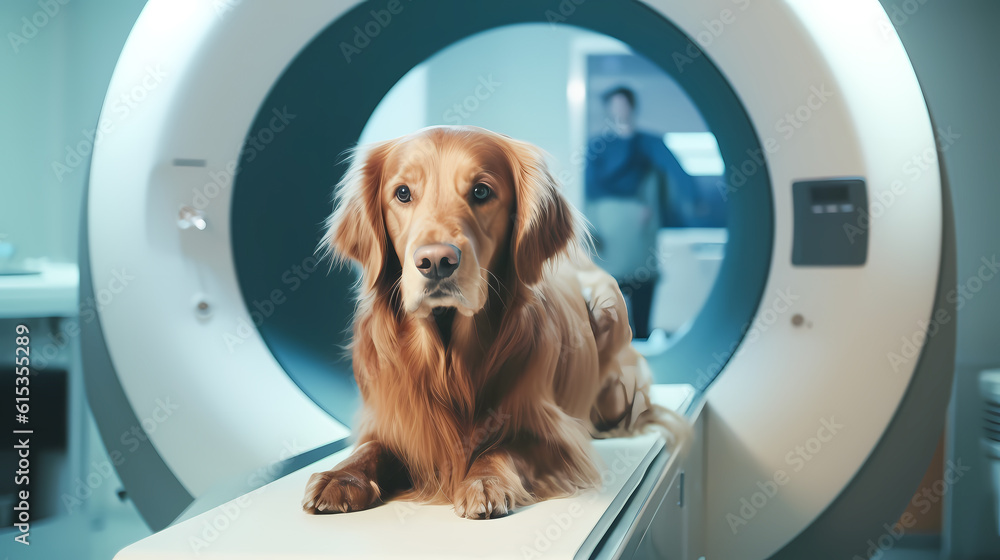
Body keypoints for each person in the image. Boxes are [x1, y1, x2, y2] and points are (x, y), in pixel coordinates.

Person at [584, 85, 696, 339]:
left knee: (641, 303)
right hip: (608, 233)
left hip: (639, 233)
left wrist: (690, 201)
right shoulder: (598, 147)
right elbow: (589, 191)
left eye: (622, 105)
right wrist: (592, 230)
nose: (618, 110)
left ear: (631, 107)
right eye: (614, 106)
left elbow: (672, 175)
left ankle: (641, 350)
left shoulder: (648, 144)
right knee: (608, 314)